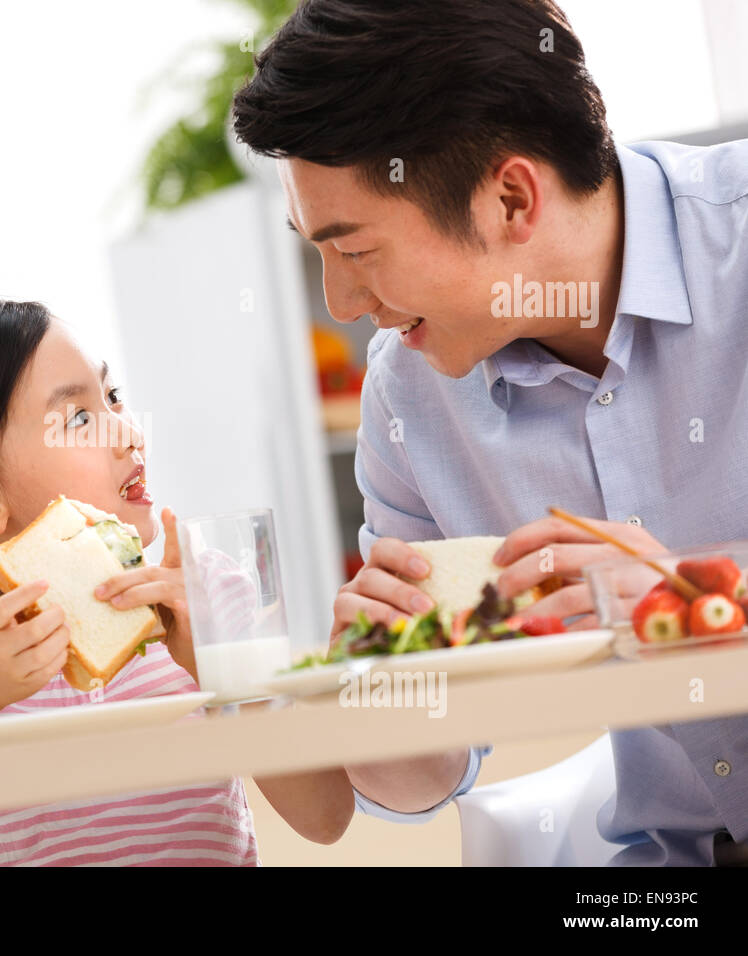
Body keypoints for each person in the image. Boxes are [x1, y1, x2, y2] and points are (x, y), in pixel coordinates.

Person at [231, 0, 748, 865]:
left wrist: (700, 592)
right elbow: (419, 780)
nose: (342, 305)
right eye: (315, 251)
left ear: (512, 197)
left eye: (354, 250)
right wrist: (383, 680)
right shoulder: (411, 398)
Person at [0, 301, 356, 865]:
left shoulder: (201, 595)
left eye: (113, 398)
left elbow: (325, 818)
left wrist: (221, 668)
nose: (130, 435)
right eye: (77, 418)